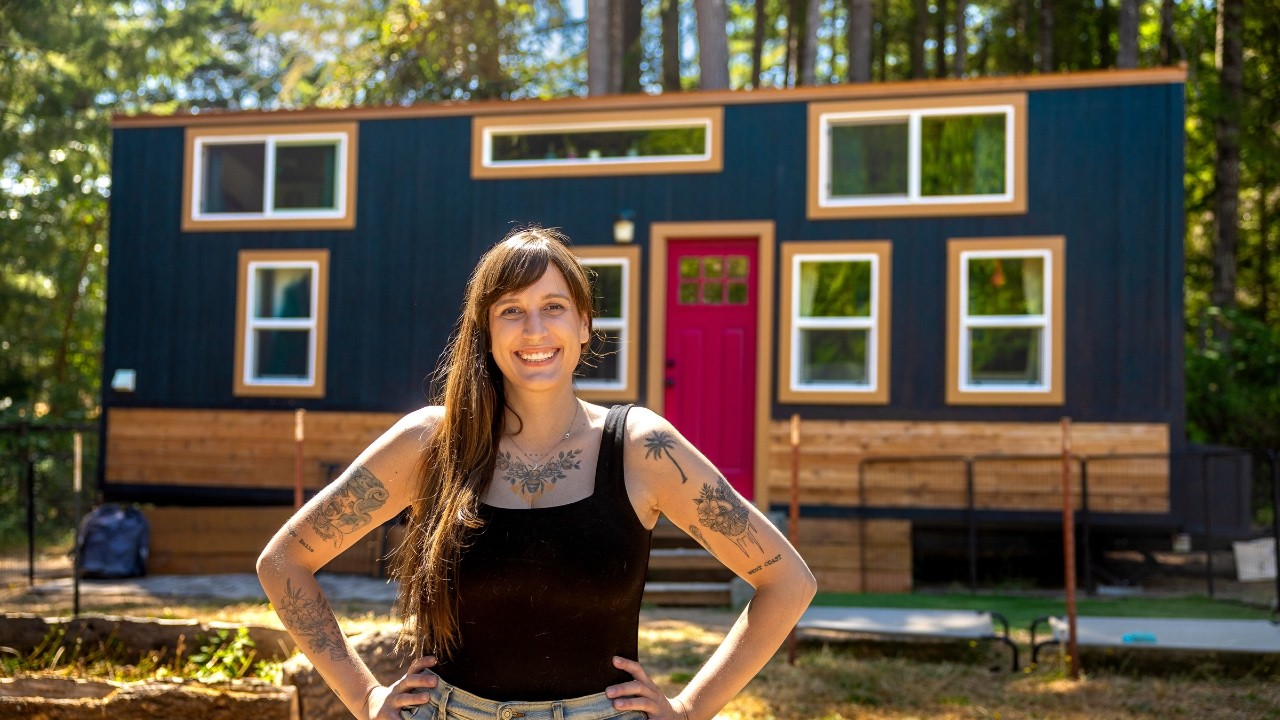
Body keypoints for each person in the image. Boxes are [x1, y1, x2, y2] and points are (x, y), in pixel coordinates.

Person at [257, 226, 816, 720]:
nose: (534, 329)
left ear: (584, 327)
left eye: (554, 307)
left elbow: (787, 581)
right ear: (486, 330)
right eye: (511, 310)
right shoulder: (430, 444)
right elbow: (284, 562)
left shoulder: (643, 447)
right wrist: (365, 697)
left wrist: (691, 710)